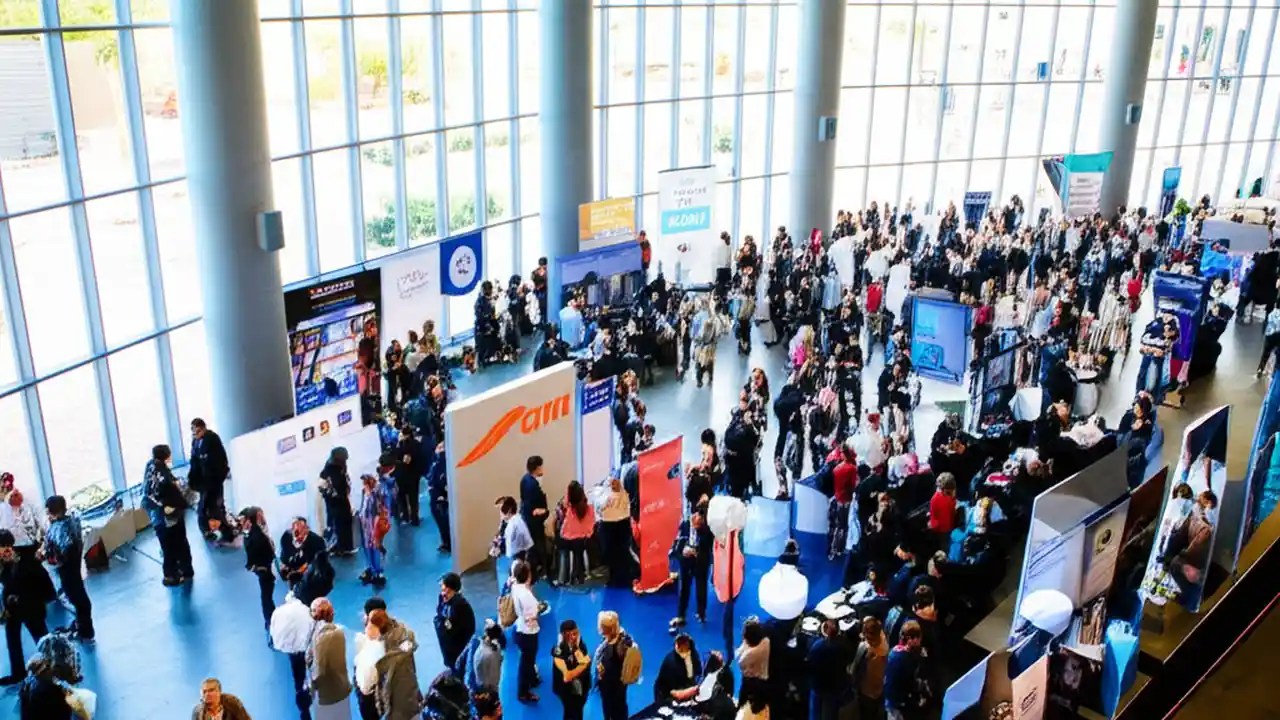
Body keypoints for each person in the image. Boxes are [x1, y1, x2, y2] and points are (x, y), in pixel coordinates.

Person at [0, 529, 49, 685]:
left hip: (31, 605)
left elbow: (41, 577)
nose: (6, 550)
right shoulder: (1, 565)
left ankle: (54, 668)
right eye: (2, 546)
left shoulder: (25, 559)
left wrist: (46, 599)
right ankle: (18, 673)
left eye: (9, 545)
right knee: (12, 639)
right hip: (12, 608)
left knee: (42, 638)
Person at [41, 495, 94, 641]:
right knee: (80, 599)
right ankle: (82, 626)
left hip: (66, 570)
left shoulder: (56, 529)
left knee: (78, 600)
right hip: (75, 566)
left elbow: (52, 554)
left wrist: (43, 554)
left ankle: (85, 631)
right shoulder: (73, 521)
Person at [142, 444, 194, 586]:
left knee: (167, 545)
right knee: (177, 543)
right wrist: (184, 501)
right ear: (166, 455)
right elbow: (172, 492)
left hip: (155, 515)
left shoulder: (150, 467)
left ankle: (174, 573)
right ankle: (178, 573)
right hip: (169, 516)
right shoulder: (163, 475)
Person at [307, 598, 352, 720]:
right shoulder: (339, 632)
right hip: (342, 688)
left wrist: (311, 689)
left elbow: (319, 672)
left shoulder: (320, 638)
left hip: (327, 695)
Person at [188, 418, 231, 542]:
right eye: (193, 432)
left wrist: (221, 475)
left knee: (216, 506)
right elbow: (194, 461)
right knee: (203, 507)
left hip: (214, 480)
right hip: (203, 482)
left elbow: (221, 458)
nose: (195, 435)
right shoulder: (195, 443)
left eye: (197, 431)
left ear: (203, 428)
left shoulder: (212, 439)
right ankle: (206, 530)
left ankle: (226, 532)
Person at [669, 510, 713, 629]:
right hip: (685, 562)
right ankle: (681, 615)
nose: (696, 519)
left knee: (701, 587)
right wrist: (683, 551)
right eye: (695, 516)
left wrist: (696, 552)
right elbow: (676, 544)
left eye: (700, 518)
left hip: (700, 563)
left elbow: (708, 548)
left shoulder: (708, 530)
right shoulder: (684, 525)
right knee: (683, 588)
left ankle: (701, 613)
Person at [236, 507, 277, 635]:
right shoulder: (255, 534)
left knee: (266, 594)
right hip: (262, 568)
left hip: (262, 567)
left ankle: (269, 618)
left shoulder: (254, 535)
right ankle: (270, 619)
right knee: (266, 595)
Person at [593, 610, 636, 720]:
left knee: (613, 711)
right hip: (620, 686)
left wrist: (600, 675)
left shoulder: (609, 652)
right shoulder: (624, 638)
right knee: (621, 707)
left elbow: (606, 675)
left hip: (613, 688)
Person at [510, 559, 542, 703]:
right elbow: (532, 616)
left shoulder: (516, 587)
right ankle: (523, 692)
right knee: (527, 661)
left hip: (520, 628)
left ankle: (533, 679)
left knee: (528, 658)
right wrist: (539, 609)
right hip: (528, 632)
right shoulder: (526, 595)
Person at [806, 619, 851, 720]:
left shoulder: (817, 646)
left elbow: (810, 664)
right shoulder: (844, 644)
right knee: (830, 711)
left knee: (815, 711)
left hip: (818, 684)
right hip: (834, 685)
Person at [884, 620, 927, 720]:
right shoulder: (906, 660)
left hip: (889, 695)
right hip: (896, 700)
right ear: (912, 639)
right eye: (919, 638)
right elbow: (909, 683)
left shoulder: (895, 650)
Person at [435, 572, 476, 674]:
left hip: (457, 647)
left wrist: (442, 624)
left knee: (458, 670)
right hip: (448, 645)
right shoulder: (443, 598)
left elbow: (453, 630)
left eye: (443, 587)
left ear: (449, 589)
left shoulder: (460, 607)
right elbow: (439, 612)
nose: (442, 590)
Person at [551, 619, 592, 720]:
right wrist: (584, 665)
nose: (573, 637)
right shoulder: (558, 650)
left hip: (581, 687)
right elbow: (567, 676)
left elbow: (582, 658)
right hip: (568, 690)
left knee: (578, 711)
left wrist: (579, 653)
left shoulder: (581, 645)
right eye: (569, 634)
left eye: (575, 633)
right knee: (570, 712)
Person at [557, 481, 596, 586]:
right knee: (578, 553)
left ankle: (562, 579)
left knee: (563, 550)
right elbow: (591, 526)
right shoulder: (588, 509)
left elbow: (564, 529)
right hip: (582, 541)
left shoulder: (570, 510)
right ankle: (579, 577)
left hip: (567, 539)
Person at [319, 447, 356, 555]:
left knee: (345, 522)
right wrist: (334, 495)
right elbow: (324, 487)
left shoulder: (340, 467)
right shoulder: (328, 471)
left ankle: (346, 547)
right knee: (338, 525)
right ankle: (340, 548)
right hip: (335, 503)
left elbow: (344, 480)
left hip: (341, 500)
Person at [356, 474, 391, 587]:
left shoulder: (376, 494)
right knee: (366, 547)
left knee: (375, 546)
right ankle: (370, 568)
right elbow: (363, 507)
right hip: (365, 524)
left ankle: (378, 571)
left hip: (374, 524)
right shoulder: (364, 492)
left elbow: (379, 510)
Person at [354, 610, 389, 720]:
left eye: (369, 626)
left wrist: (362, 690)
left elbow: (366, 684)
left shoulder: (375, 650)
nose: (366, 628)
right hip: (373, 691)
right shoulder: (371, 642)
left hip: (369, 694)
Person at [600, 476, 634, 588]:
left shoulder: (623, 495)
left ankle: (623, 577)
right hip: (610, 524)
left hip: (619, 524)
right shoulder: (607, 495)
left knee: (622, 551)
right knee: (613, 553)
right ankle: (615, 577)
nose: (614, 486)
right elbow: (601, 507)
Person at [852, 616, 889, 720]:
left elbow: (855, 668)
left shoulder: (864, 648)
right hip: (880, 689)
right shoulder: (884, 641)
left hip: (866, 691)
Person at [520, 456, 550, 580]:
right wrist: (545, 511)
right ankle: (542, 569)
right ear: (537, 468)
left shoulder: (524, 479)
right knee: (538, 545)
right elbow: (539, 504)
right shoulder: (533, 485)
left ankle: (535, 568)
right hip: (534, 520)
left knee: (532, 546)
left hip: (526, 517)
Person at [278, 517, 326, 589]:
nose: (299, 536)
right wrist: (285, 569)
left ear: (307, 529)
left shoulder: (317, 542)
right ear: (292, 530)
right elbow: (284, 558)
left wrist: (298, 572)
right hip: (295, 564)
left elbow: (313, 563)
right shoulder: (286, 538)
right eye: (296, 533)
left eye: (302, 531)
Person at [654, 633, 702, 703]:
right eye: (679, 643)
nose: (681, 645)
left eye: (684, 642)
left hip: (686, 686)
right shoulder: (670, 662)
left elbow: (698, 672)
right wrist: (687, 692)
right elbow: (672, 692)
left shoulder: (694, 655)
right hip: (667, 693)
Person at [735, 618, 771, 706]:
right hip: (764, 678)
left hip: (751, 681)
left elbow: (740, 662)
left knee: (743, 703)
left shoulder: (749, 654)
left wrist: (745, 644)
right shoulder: (766, 642)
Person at [394, 427, 423, 526]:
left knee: (402, 498)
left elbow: (397, 459)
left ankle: (405, 517)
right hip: (414, 476)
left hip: (401, 477)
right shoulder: (417, 444)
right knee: (413, 498)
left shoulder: (399, 446)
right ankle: (415, 519)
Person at [427, 442, 451, 552]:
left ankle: (447, 543)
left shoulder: (438, 464)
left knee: (443, 522)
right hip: (440, 496)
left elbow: (435, 480)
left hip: (438, 498)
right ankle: (447, 542)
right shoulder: (444, 462)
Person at [469, 621, 506, 691]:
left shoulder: (483, 647)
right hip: (488, 687)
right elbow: (492, 681)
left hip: (484, 681)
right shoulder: (489, 655)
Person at [1259, 303, 1280, 375]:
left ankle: (1260, 369)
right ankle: (1273, 373)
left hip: (1269, 335)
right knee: (1277, 355)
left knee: (1265, 353)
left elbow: (1267, 323)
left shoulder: (1272, 313)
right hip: (1278, 336)